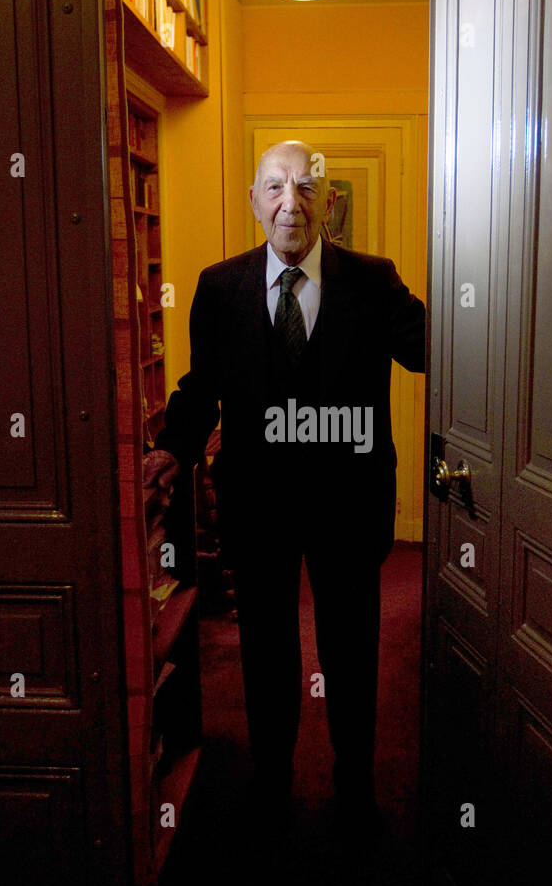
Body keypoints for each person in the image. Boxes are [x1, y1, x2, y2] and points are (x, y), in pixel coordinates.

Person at [149, 140, 426, 838]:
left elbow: (433, 350)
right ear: (254, 201)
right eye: (274, 187)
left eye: (304, 187)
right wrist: (171, 450)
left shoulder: (371, 279)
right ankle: (270, 782)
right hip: (259, 504)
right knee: (266, 651)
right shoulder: (219, 288)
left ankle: (354, 783)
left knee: (351, 648)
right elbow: (201, 387)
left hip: (348, 502)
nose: (289, 202)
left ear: (324, 201)